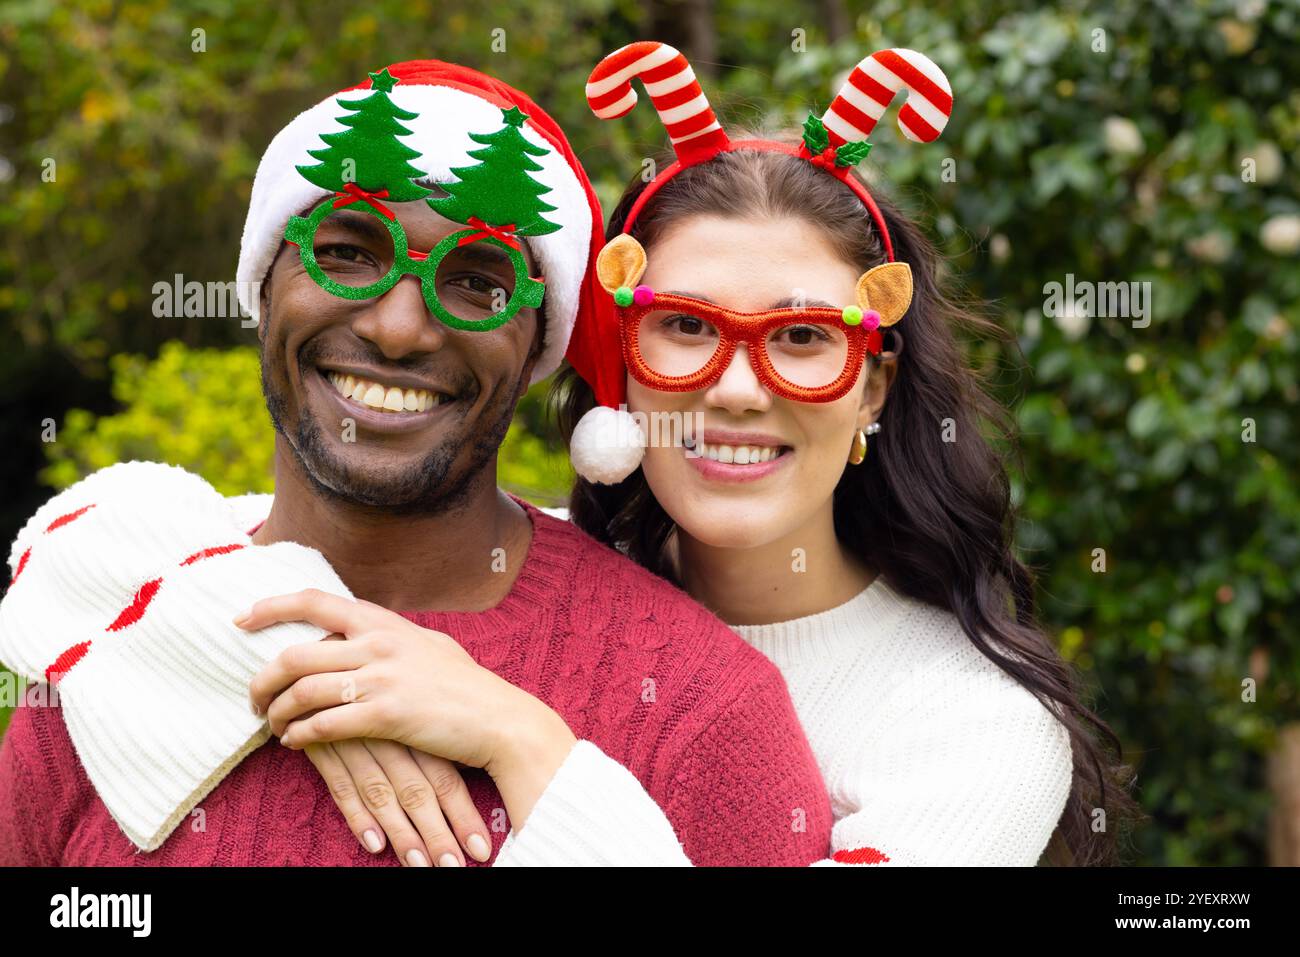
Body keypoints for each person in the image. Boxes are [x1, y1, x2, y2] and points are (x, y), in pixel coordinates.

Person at [310, 42, 1139, 866]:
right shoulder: (513, 568)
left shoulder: (969, 723)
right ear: (622, 363)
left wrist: (523, 741)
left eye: (805, 336)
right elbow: (235, 545)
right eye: (687, 326)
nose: (738, 389)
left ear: (873, 387)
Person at [0, 59, 832, 867]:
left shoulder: (703, 711)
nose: (397, 328)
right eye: (348, 253)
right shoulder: (123, 625)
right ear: (265, 284)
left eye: (477, 281)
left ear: (535, 341)